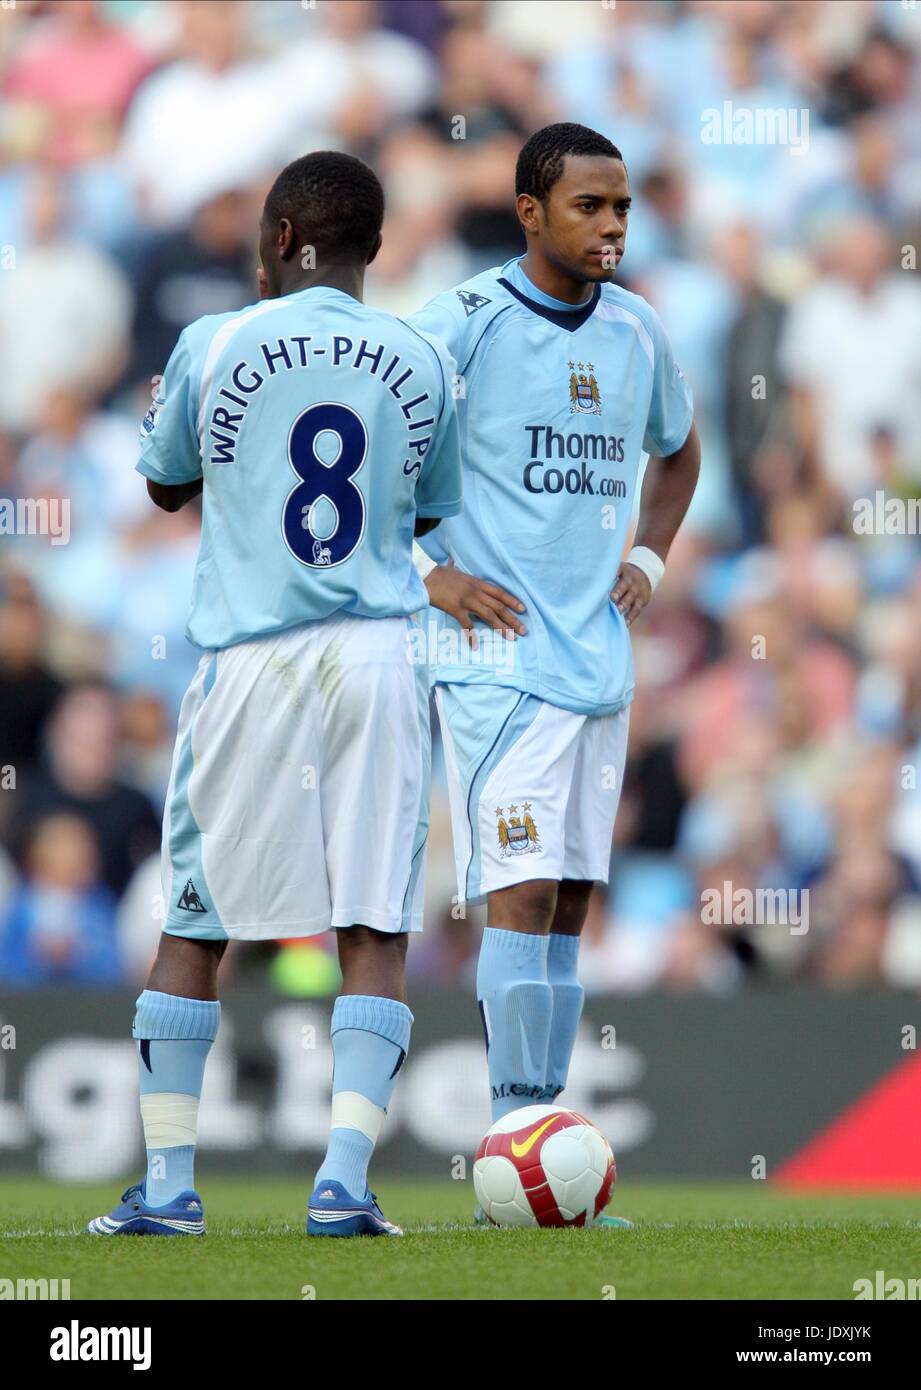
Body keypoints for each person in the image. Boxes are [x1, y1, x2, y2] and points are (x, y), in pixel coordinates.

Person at [87, 151, 462, 1239]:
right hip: (380, 651)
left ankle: (167, 1188)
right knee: (373, 921)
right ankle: (343, 1181)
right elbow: (425, 514)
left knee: (198, 918)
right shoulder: (423, 357)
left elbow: (164, 484)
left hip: (251, 657)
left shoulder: (213, 341)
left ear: (286, 237)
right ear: (371, 249)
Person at [410, 124, 699, 1219]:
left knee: (572, 901)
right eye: (590, 207)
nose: (613, 225)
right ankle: (508, 1145)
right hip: (495, 660)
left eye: (622, 207)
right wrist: (429, 572)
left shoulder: (637, 331)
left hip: (598, 658)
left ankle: (542, 1141)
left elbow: (681, 448)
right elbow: (375, 449)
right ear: (531, 212)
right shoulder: (464, 325)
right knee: (520, 894)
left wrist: (647, 552)